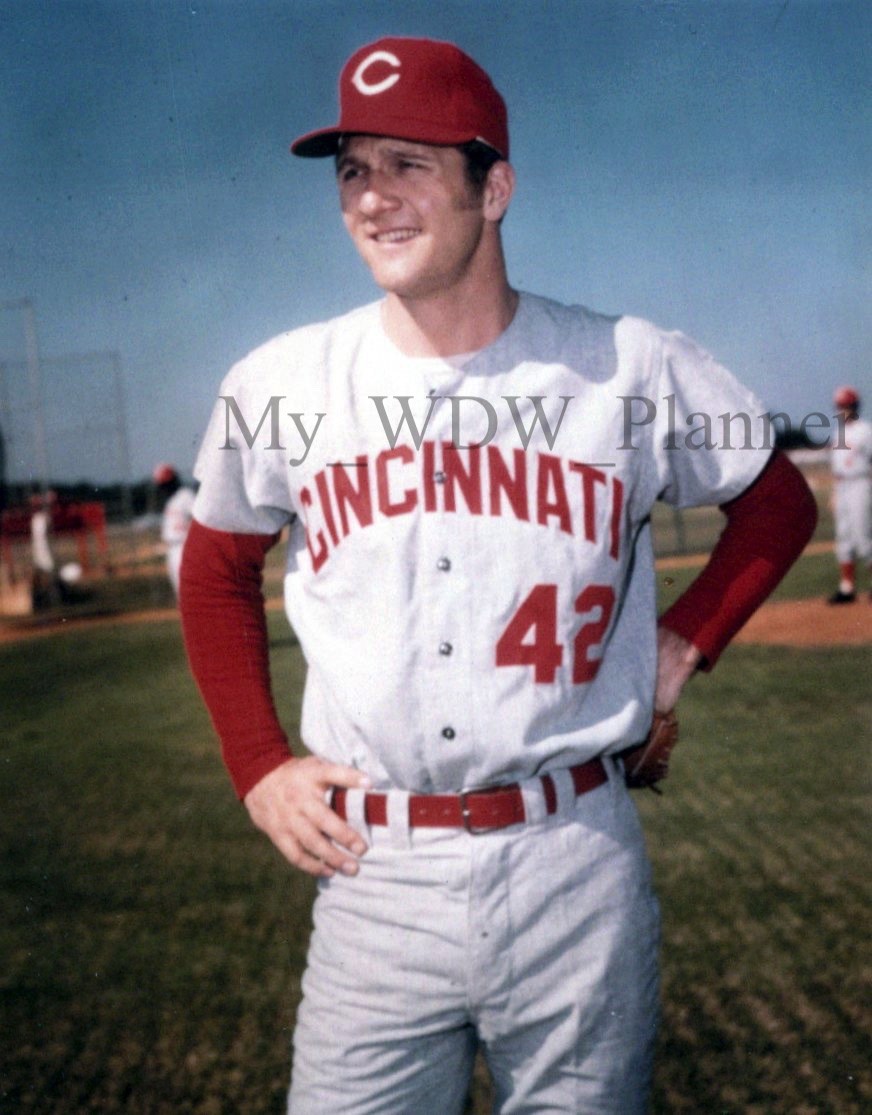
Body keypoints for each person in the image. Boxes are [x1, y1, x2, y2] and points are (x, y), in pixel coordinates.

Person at [180, 37, 818, 1114]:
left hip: (573, 855)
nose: (371, 197)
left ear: (495, 188)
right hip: (373, 868)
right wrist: (256, 762)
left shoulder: (626, 363)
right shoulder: (281, 382)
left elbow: (777, 502)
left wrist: (680, 641)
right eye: (352, 170)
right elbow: (214, 568)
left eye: (408, 163)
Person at [826, 386, 872, 604]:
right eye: (839, 406)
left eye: (845, 406)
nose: (842, 410)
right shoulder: (839, 433)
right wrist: (834, 494)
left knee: (863, 535)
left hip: (860, 483)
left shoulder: (866, 431)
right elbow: (837, 468)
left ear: (855, 407)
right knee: (844, 537)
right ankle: (847, 588)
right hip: (842, 485)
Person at [152, 463, 194, 597]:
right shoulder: (171, 501)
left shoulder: (185, 495)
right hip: (173, 548)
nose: (163, 488)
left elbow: (197, 518)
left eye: (165, 484)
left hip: (184, 546)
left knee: (187, 588)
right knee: (179, 590)